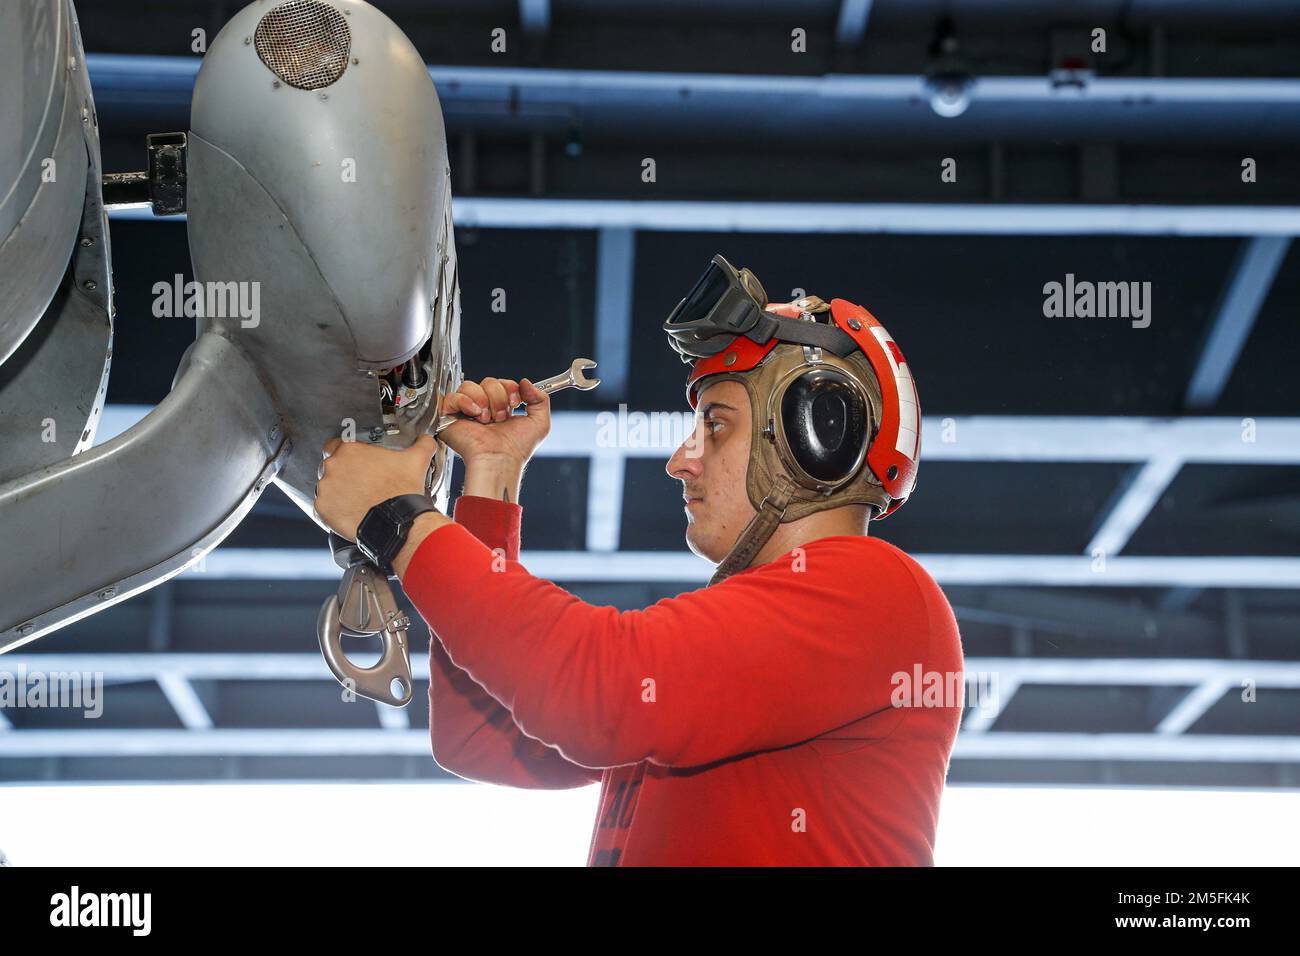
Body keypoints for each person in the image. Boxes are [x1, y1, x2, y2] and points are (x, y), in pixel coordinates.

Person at [314, 255, 964, 866]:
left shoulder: (878, 594)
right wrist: (491, 477)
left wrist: (397, 517)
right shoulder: (725, 670)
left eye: (715, 425)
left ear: (816, 433)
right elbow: (479, 738)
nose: (679, 461)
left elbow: (599, 691)